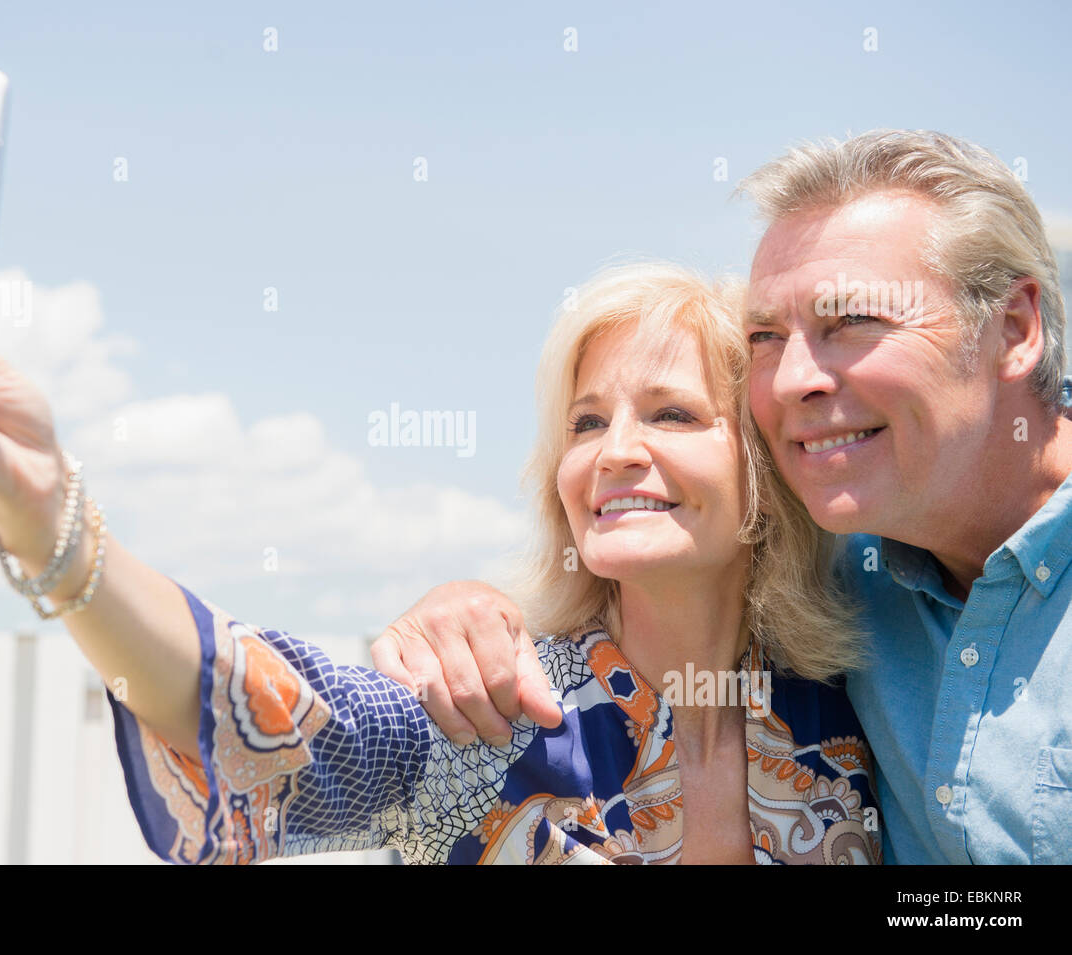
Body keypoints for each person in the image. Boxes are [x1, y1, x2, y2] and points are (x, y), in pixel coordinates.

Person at [0, 241, 877, 862]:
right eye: (583, 422)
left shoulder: (862, 708)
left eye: (669, 412)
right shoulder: (493, 713)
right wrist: (47, 516)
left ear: (758, 475)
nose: (615, 453)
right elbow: (239, 712)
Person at [373, 129, 1072, 864]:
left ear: (1016, 329)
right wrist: (456, 614)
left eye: (852, 320)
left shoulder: (823, 692)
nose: (795, 377)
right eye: (767, 334)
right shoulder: (859, 585)